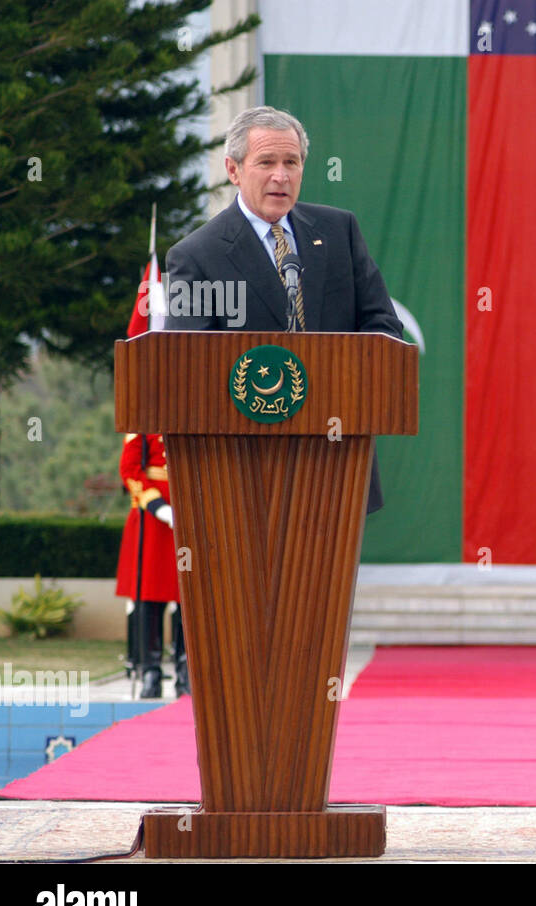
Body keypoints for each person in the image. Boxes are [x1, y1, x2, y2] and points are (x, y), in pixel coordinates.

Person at [164, 105, 403, 513]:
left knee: (330, 580)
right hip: (242, 474)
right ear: (234, 169)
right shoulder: (196, 255)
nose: (281, 175)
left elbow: (384, 328)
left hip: (335, 462)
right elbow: (187, 368)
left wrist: (339, 384)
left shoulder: (338, 232)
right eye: (267, 162)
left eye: (291, 162)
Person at [114, 433, 186, 698]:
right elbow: (130, 468)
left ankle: (186, 670)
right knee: (148, 596)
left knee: (187, 598)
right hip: (152, 519)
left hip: (188, 511)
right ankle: (150, 671)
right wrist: (158, 506)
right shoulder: (142, 420)